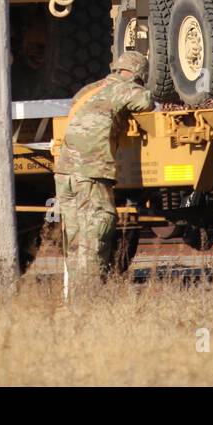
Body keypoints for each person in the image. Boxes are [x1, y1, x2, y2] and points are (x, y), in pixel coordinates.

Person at [54, 51, 153, 287]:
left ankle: (76, 292)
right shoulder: (124, 88)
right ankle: (90, 295)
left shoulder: (89, 89)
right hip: (91, 171)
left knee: (76, 235)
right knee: (96, 229)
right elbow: (146, 102)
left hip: (64, 172)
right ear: (138, 75)